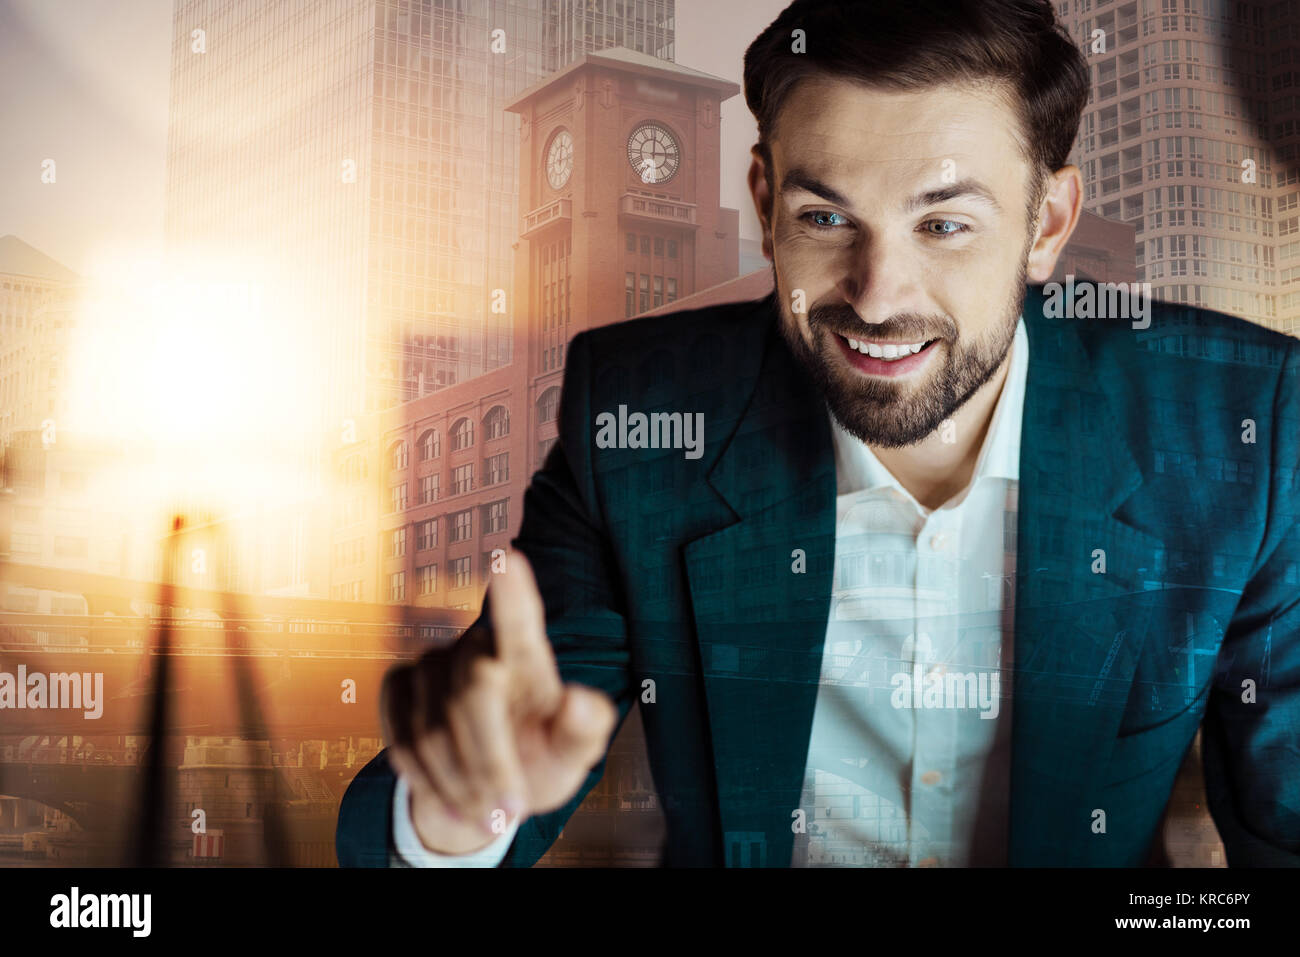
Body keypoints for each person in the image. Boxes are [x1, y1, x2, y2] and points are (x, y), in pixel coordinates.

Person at [337, 0, 1300, 867]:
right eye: (825, 216)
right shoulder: (637, 420)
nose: (877, 297)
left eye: (944, 226)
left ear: (1046, 224)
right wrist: (461, 817)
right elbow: (459, 770)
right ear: (763, 204)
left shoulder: (1238, 430)